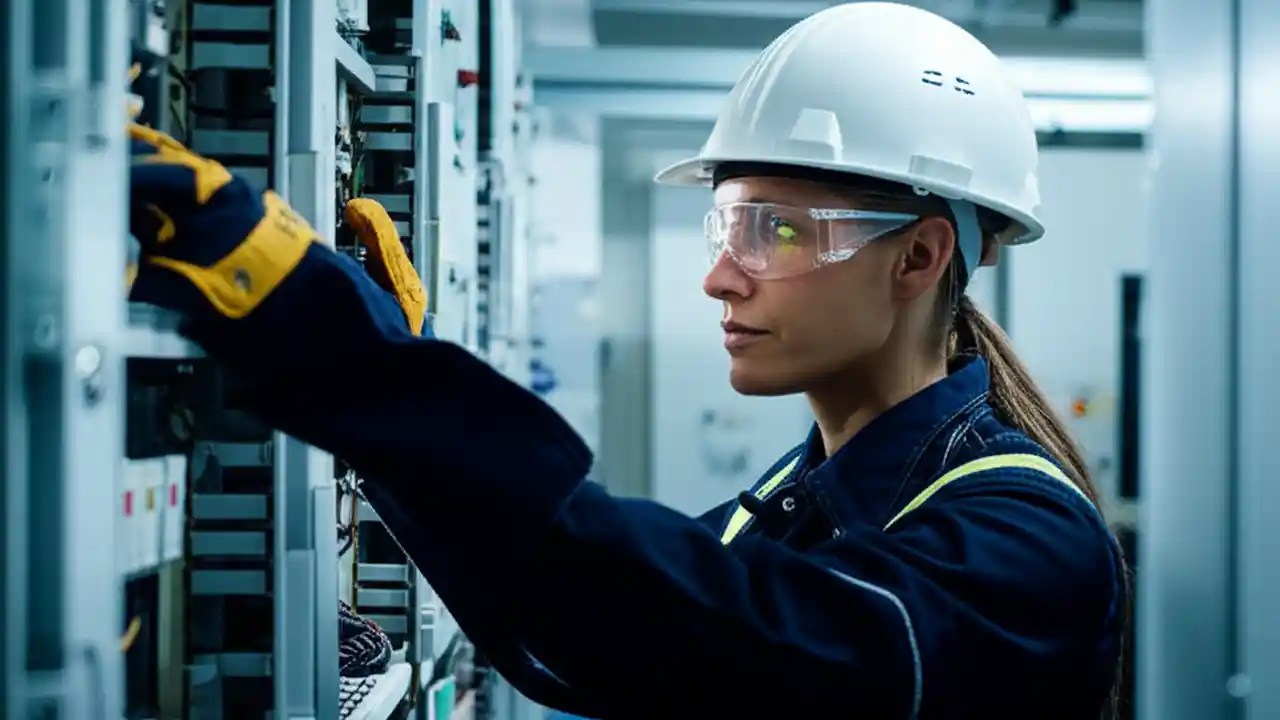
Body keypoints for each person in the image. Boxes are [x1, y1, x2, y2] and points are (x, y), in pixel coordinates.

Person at [126, 2, 1124, 718]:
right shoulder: (802, 490)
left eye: (775, 233)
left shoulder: (1023, 541)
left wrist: (344, 353)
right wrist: (391, 376)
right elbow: (578, 623)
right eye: (723, 226)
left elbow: (697, 634)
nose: (722, 278)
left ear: (917, 256)